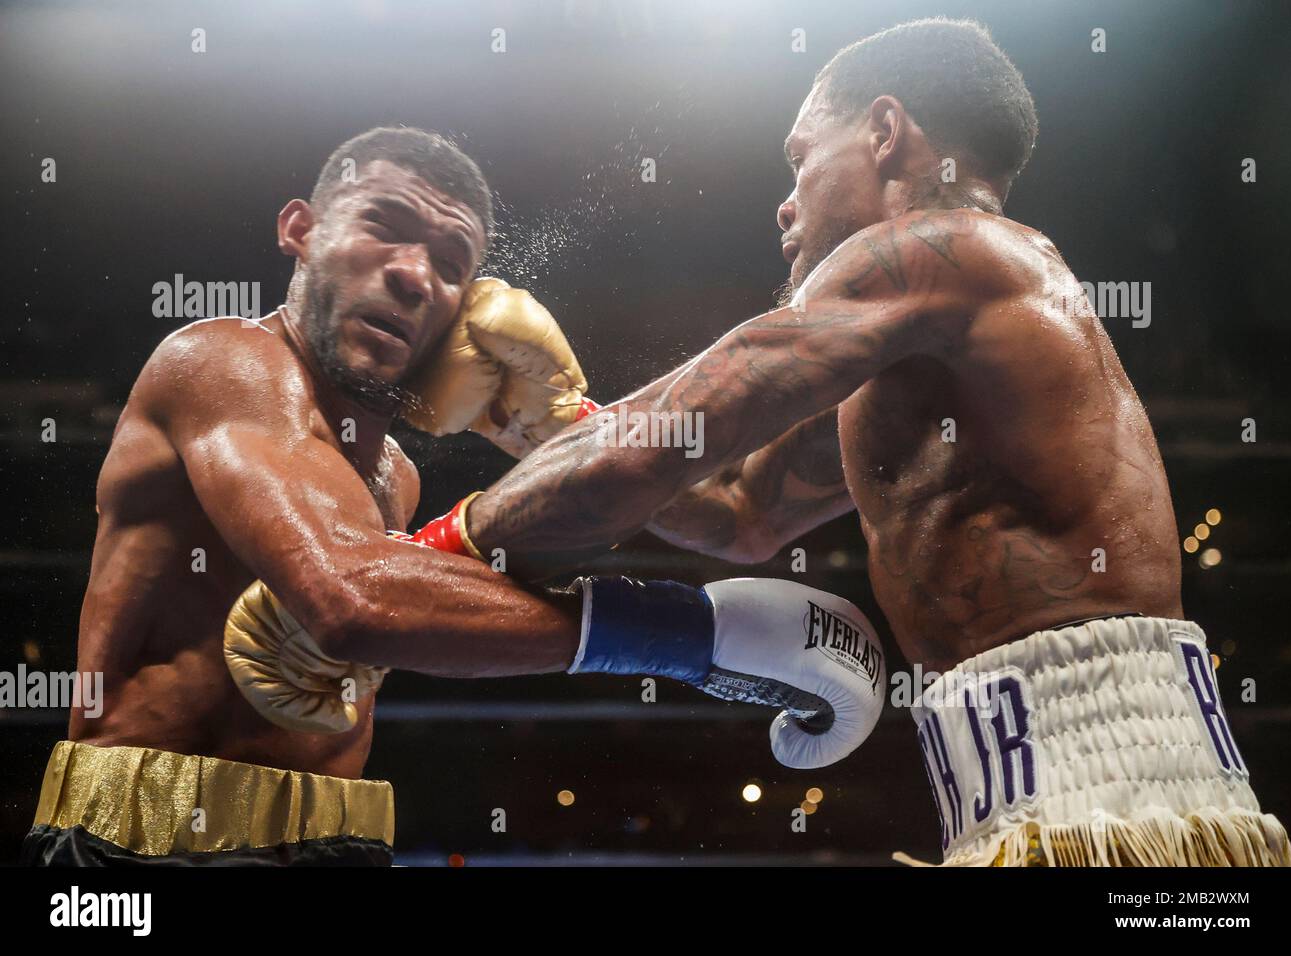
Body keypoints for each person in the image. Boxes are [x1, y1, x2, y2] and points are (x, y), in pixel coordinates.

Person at [393, 19, 1291, 866]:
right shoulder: (933, 337)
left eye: (798, 159)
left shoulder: (948, 251)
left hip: (1112, 795)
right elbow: (736, 513)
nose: (785, 206)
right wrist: (540, 418)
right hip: (1042, 795)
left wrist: (413, 563)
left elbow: (647, 456)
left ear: (885, 131)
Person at [24, 126, 882, 867]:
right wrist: (690, 635)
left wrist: (554, 428)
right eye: (385, 231)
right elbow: (350, 600)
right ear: (301, 229)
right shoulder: (218, 362)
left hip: (337, 835)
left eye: (449, 264)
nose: (413, 275)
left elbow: (402, 604)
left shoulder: (395, 473)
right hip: (141, 842)